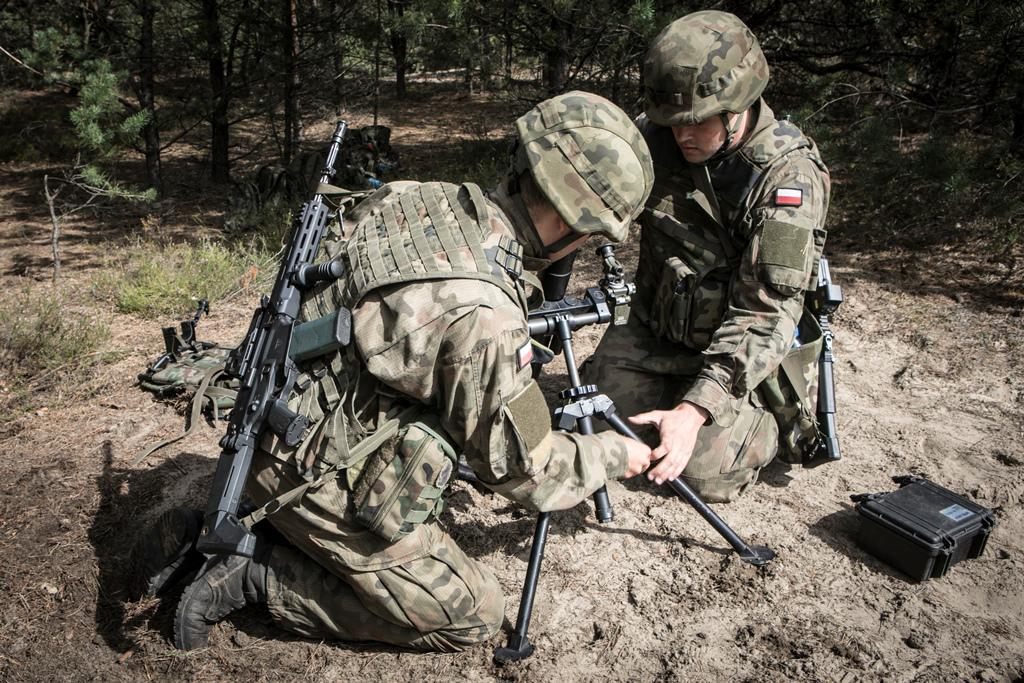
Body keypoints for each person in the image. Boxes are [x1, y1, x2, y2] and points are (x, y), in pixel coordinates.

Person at [132, 91, 656, 652]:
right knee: (471, 614)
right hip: (305, 469)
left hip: (269, 412)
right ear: (572, 219)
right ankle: (256, 574)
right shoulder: (485, 316)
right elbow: (525, 473)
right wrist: (613, 455)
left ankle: (240, 525)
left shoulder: (421, 198)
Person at [582, 11, 831, 502]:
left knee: (702, 476)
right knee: (594, 426)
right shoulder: (656, 138)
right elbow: (582, 208)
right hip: (658, 327)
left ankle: (753, 418)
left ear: (738, 105)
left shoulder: (786, 179)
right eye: (672, 122)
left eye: (696, 122)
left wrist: (697, 409)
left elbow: (767, 311)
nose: (681, 136)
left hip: (737, 349)